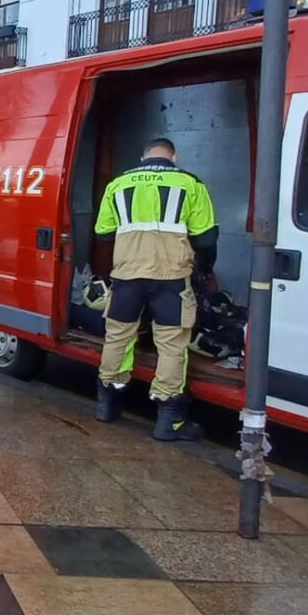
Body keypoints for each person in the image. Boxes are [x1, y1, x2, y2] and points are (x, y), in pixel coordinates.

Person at [92, 137, 217, 441]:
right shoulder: (191, 184)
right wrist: (204, 270)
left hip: (127, 276)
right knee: (171, 345)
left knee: (117, 338)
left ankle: (107, 405)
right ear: (174, 156)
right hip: (171, 279)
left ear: (143, 156)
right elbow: (206, 239)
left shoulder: (118, 184)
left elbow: (102, 231)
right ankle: (168, 421)